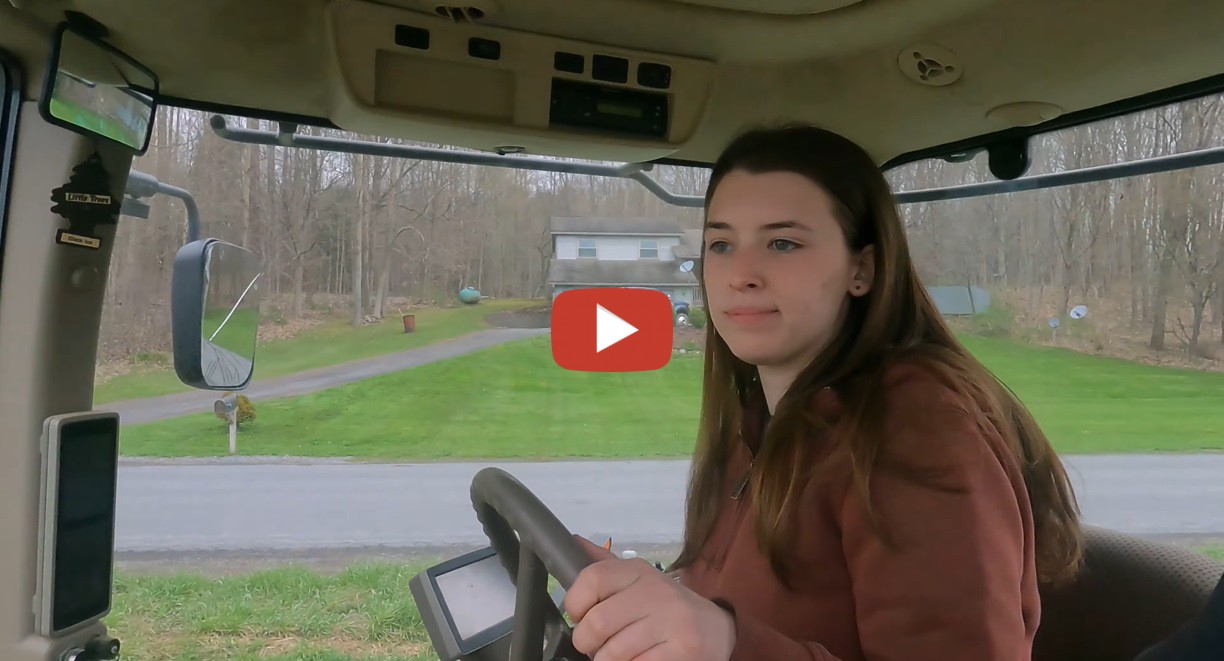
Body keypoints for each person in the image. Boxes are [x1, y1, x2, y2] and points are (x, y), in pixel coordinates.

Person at [561, 124, 1085, 660]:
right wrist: (646, 602)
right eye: (721, 244)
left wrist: (727, 645)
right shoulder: (756, 421)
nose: (740, 274)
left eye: (782, 242)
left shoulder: (918, 429)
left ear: (861, 269)